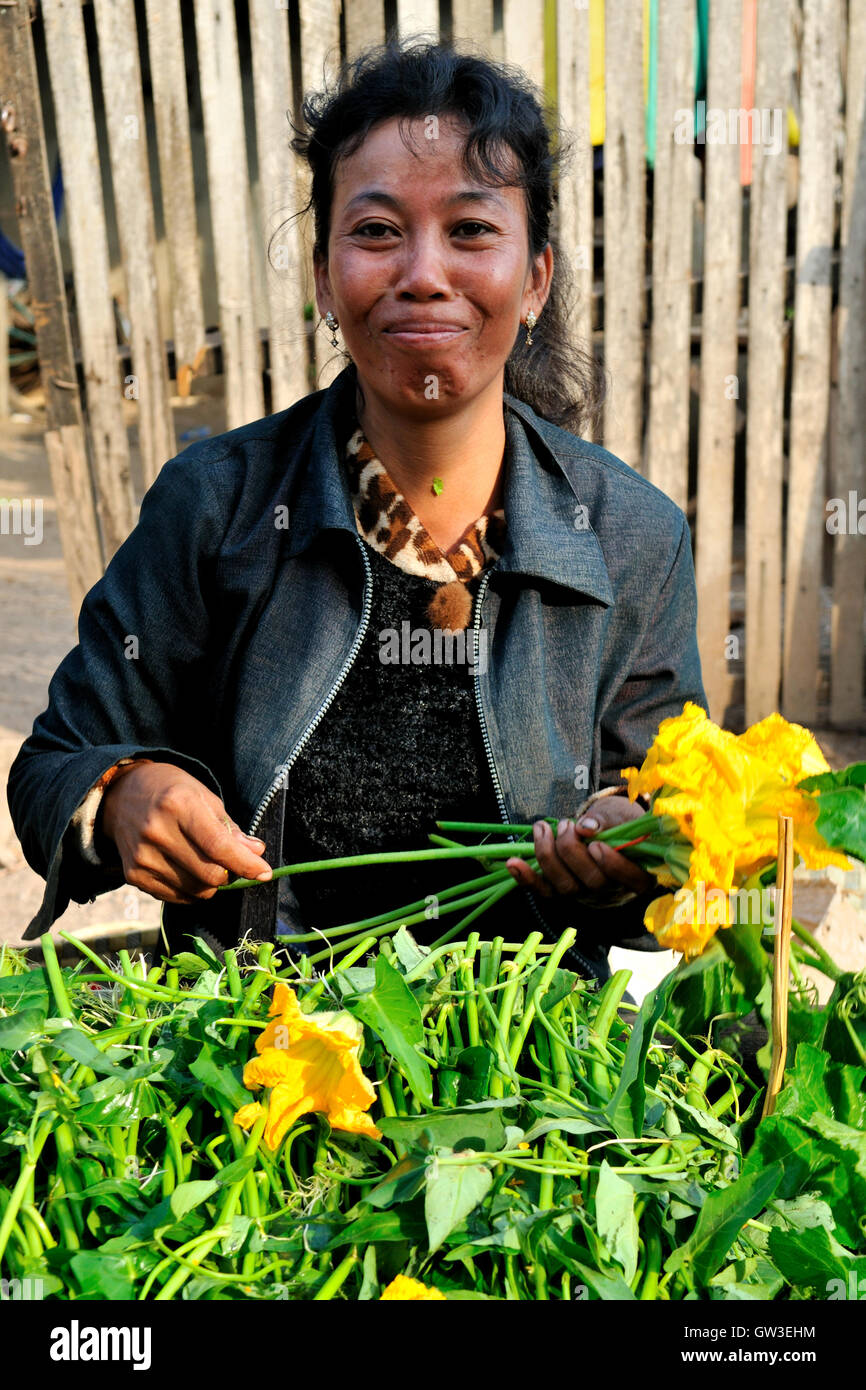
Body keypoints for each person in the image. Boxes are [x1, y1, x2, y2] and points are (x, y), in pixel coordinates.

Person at [7, 40, 707, 982]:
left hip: (525, 1061)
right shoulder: (218, 505)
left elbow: (677, 822)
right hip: (254, 1035)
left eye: (470, 231)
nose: (423, 273)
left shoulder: (632, 539)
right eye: (377, 232)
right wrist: (121, 795)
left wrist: (631, 857)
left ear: (536, 277)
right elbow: (56, 760)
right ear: (325, 276)